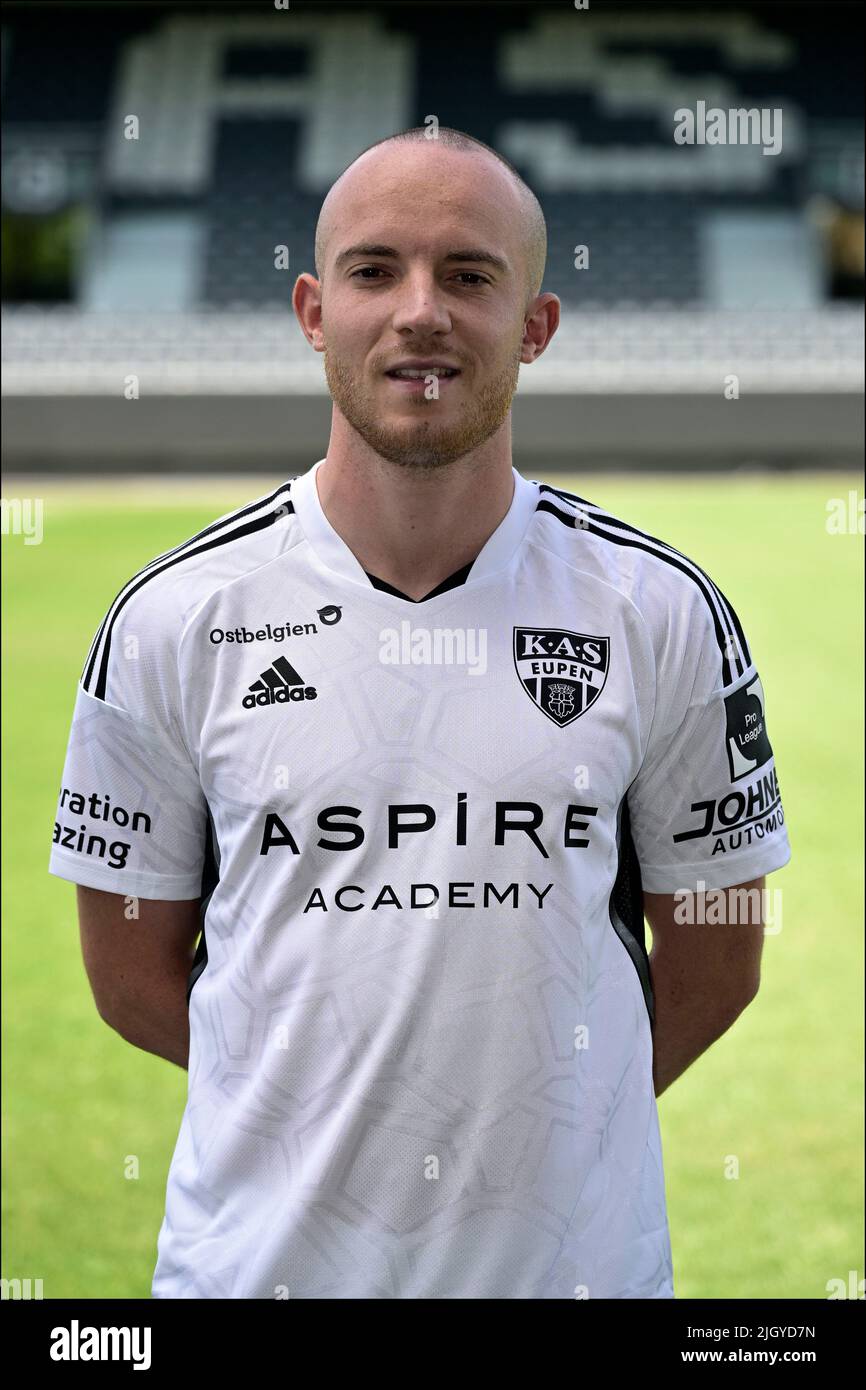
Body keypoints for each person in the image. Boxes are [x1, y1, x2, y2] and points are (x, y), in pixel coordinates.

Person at [49, 127, 791, 1299]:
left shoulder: (658, 609)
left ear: (534, 326)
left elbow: (716, 956)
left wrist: (544, 1117)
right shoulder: (173, 617)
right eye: (373, 269)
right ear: (311, 309)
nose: (419, 312)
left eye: (467, 275)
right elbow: (129, 976)